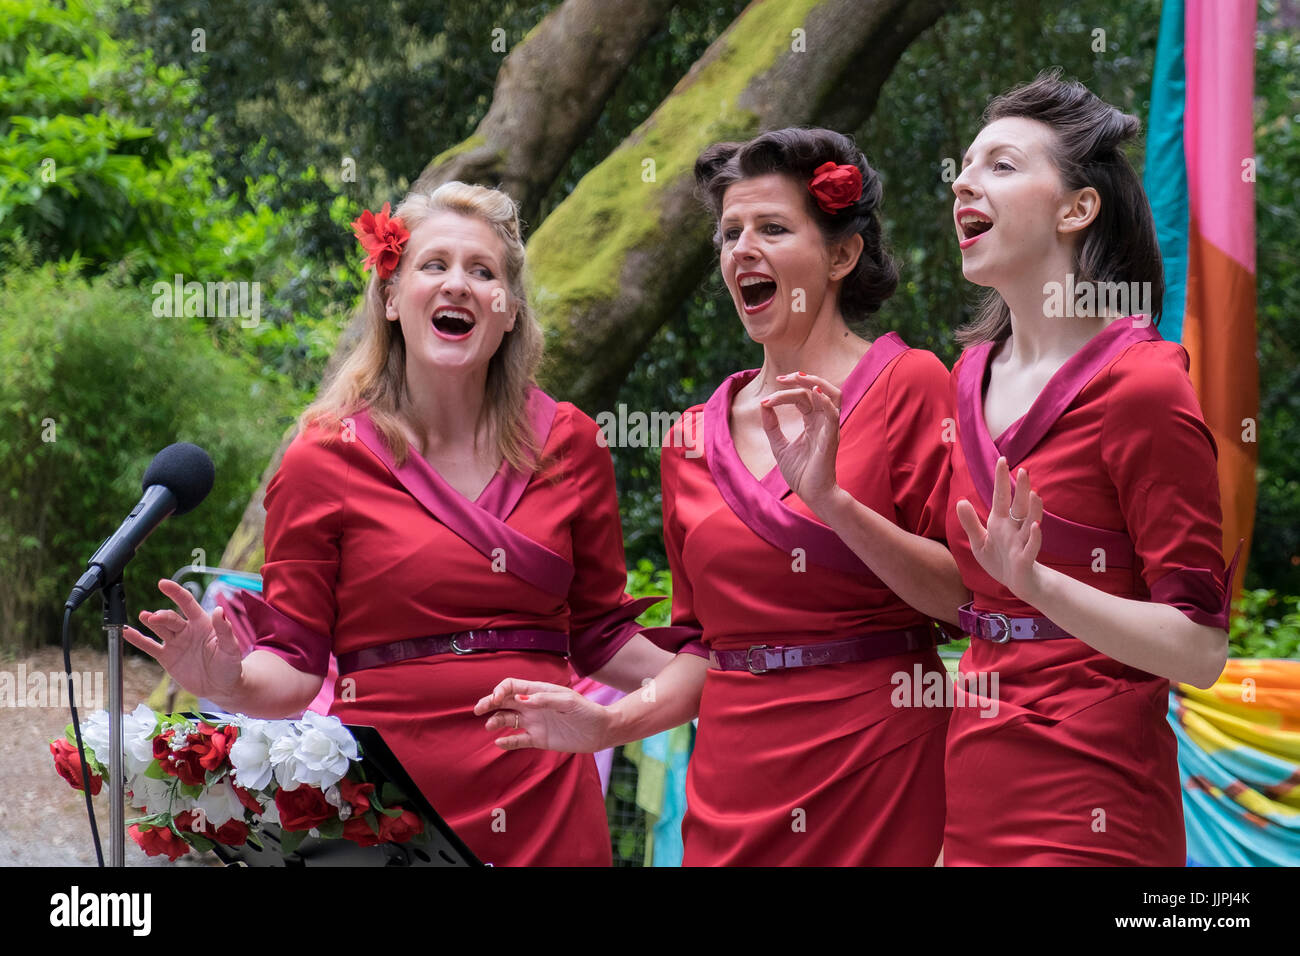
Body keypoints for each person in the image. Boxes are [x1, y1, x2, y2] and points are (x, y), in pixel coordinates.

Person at [124, 181, 672, 866]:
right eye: (434, 265)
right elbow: (295, 666)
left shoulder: (571, 442)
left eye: (483, 271)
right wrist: (226, 681)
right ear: (390, 297)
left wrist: (739, 666)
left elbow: (601, 636)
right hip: (387, 816)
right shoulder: (321, 457)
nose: (459, 284)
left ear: (508, 312)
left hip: (545, 801)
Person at [768, 73, 1238, 865]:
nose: (963, 180)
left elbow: (1200, 649)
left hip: (1097, 808)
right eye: (966, 166)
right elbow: (963, 598)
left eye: (1003, 165)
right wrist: (832, 501)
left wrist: (1043, 586)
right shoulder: (968, 375)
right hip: (974, 787)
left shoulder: (1144, 384)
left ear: (1077, 208)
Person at [475, 128, 969, 865]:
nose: (742, 248)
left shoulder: (912, 383)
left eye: (772, 227)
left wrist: (833, 501)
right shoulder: (690, 439)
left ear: (841, 254)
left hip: (878, 755)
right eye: (729, 232)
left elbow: (963, 596)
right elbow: (708, 652)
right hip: (733, 774)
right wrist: (606, 724)